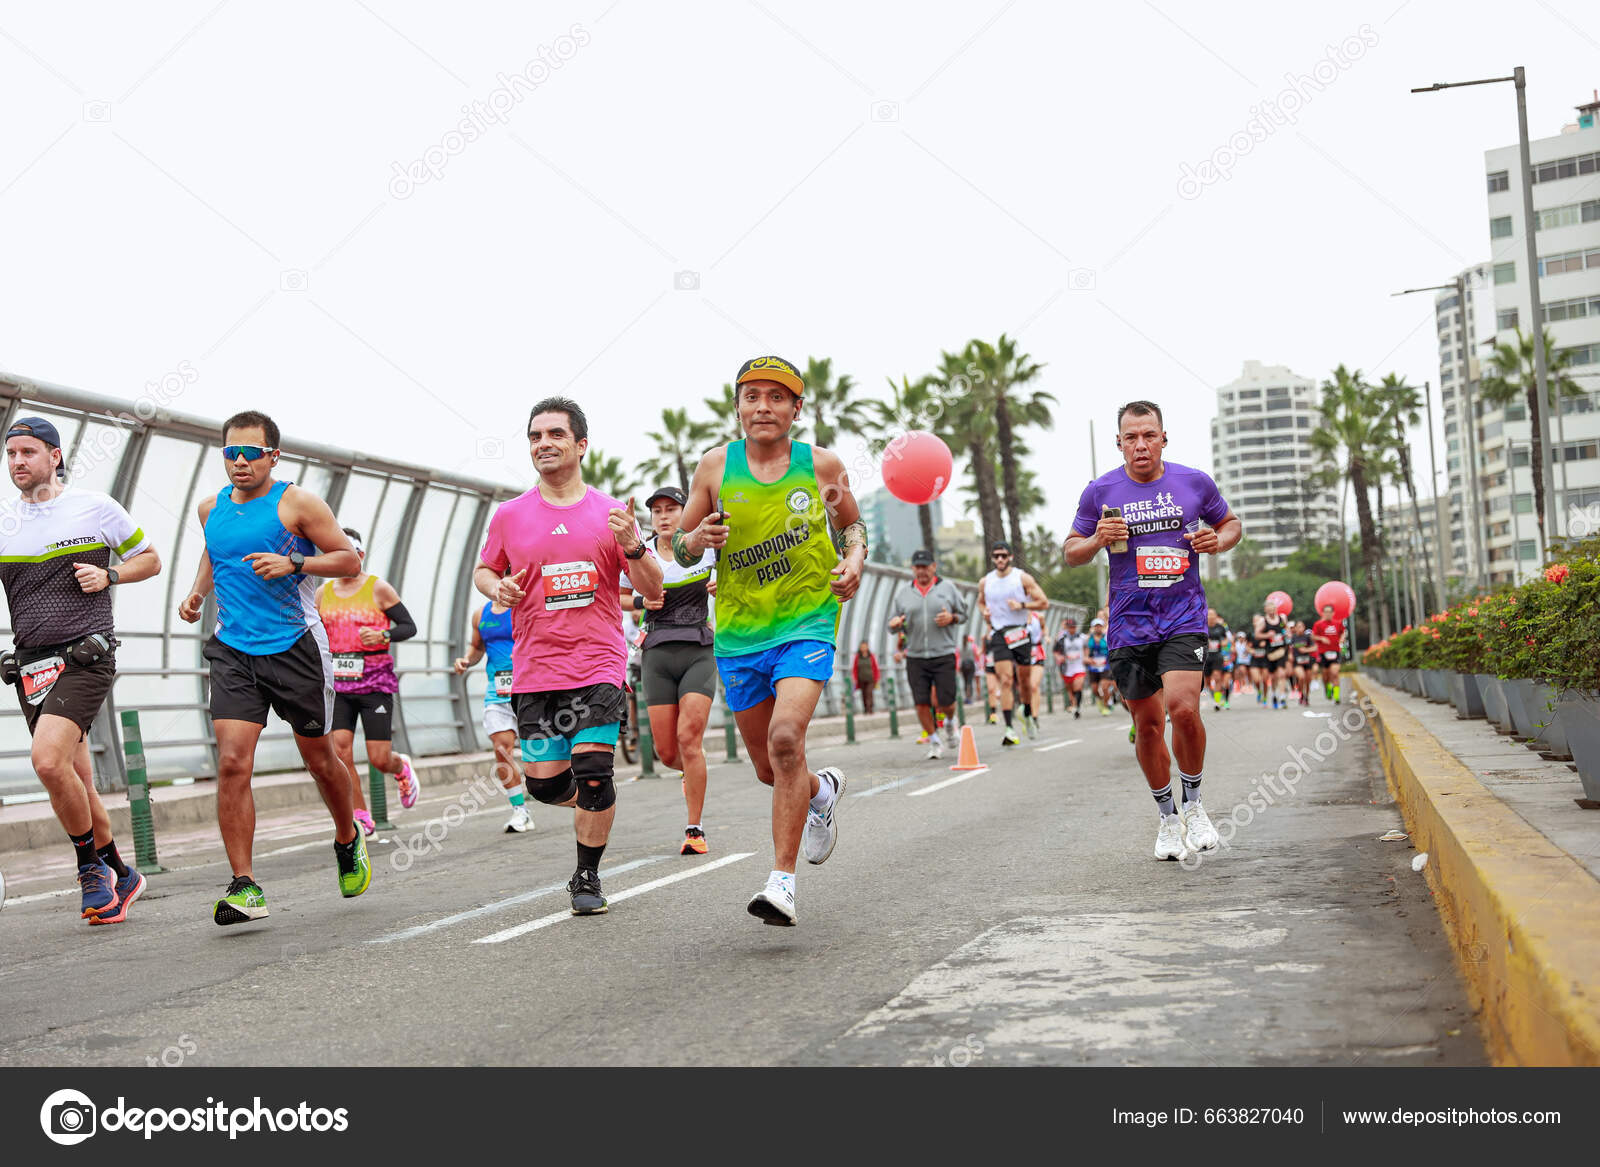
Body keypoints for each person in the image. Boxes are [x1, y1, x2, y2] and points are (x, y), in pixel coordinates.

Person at [674, 354, 864, 927]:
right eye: (752, 396)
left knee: (786, 738)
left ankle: (781, 883)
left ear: (797, 408)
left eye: (777, 397)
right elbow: (680, 548)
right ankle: (821, 791)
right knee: (769, 767)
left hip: (806, 622)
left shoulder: (821, 467)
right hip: (738, 633)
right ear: (737, 405)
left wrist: (853, 559)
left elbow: (851, 526)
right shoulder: (713, 468)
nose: (763, 406)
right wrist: (698, 538)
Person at [474, 397, 663, 916]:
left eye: (555, 434)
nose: (543, 444)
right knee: (547, 785)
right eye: (535, 436)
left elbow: (652, 590)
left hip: (598, 664)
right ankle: (595, 802)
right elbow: (484, 571)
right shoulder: (511, 516)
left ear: (580, 445)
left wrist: (634, 548)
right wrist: (498, 588)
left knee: (595, 772)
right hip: (535, 670)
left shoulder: (611, 515)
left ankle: (587, 875)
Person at [178, 411, 368, 925]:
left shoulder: (297, 503)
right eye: (231, 453)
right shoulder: (209, 507)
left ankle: (347, 837)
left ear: (273, 455)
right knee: (233, 763)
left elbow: (349, 561)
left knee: (321, 759)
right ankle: (245, 886)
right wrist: (199, 593)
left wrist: (296, 563)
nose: (240, 462)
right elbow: (215, 552)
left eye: (251, 453)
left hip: (295, 646)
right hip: (233, 650)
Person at [1064, 400, 1241, 861]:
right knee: (1147, 725)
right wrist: (1097, 540)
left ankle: (1195, 804)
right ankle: (1167, 817)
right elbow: (1071, 551)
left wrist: (1217, 540)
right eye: (1131, 438)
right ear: (1119, 443)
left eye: (1149, 435)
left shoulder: (1194, 482)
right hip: (1129, 625)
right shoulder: (1099, 491)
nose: (1140, 445)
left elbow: (1230, 523)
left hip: (1183, 617)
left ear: (1164, 438)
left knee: (1183, 710)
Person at [1, 417, 161, 925]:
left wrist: (110, 573)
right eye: (10, 454)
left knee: (48, 762)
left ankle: (90, 869)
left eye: (28, 452)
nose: (18, 462)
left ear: (54, 455)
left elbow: (151, 559)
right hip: (32, 665)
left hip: (87, 656)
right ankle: (121, 872)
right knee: (74, 778)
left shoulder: (95, 508)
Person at [631, 485, 718, 856]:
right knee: (667, 753)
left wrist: (723, 586)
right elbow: (615, 594)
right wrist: (641, 599)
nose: (663, 516)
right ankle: (691, 770)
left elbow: (743, 579)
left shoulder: (708, 549)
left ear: (686, 512)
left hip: (699, 650)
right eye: (656, 510)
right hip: (656, 654)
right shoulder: (641, 553)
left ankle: (694, 829)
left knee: (689, 739)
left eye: (672, 508)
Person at [317, 528, 420, 837]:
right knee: (341, 752)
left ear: (360, 555)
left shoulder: (378, 589)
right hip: (339, 687)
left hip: (375, 684)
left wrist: (383, 635)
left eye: (353, 554)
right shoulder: (323, 593)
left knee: (378, 757)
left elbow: (408, 626)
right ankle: (360, 815)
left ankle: (400, 767)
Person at [451, 595, 531, 832]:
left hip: (530, 689)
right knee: (501, 750)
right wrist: (466, 660)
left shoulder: (525, 606)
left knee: (537, 759)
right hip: (497, 692)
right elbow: (477, 647)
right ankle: (520, 810)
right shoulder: (480, 614)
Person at [887, 549, 966, 759]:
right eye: (918, 567)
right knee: (921, 701)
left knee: (946, 701)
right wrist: (894, 625)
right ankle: (935, 741)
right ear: (912, 569)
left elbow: (964, 614)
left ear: (934, 567)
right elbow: (894, 623)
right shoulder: (903, 594)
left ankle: (950, 722)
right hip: (915, 656)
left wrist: (952, 618)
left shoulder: (947, 588)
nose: (921, 571)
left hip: (943, 653)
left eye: (925, 567)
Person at [977, 541, 1049, 746]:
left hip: (1020, 633)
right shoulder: (985, 582)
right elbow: (980, 601)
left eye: (1003, 555)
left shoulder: (1021, 578)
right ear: (992, 558)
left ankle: (1026, 713)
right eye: (996, 556)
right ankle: (1009, 728)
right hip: (999, 633)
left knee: (1024, 682)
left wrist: (1022, 605)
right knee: (1006, 680)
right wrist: (984, 612)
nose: (1000, 559)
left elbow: (1044, 602)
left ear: (1010, 557)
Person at [1053, 616, 1088, 719]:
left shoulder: (1082, 637)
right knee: (1071, 688)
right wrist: (1060, 657)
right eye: (1069, 627)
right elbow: (1056, 651)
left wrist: (1085, 657)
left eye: (1073, 627)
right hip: (1067, 668)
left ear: (1076, 627)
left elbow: (1086, 648)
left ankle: (1077, 707)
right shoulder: (1062, 639)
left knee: (1078, 685)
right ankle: (1074, 703)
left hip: (1079, 666)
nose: (1071, 629)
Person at [1259, 598, 1291, 709]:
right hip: (1270, 652)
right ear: (1265, 610)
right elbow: (1257, 635)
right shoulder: (1263, 621)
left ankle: (1282, 697)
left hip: (1281, 650)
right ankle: (1273, 694)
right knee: (1273, 677)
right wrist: (1267, 635)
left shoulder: (1282, 618)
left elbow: (1286, 629)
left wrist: (1287, 634)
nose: (1271, 611)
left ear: (1276, 609)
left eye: (1273, 609)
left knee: (1282, 674)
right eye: (1269, 609)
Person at [1312, 603, 1346, 704]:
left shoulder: (1338, 623)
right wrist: (1321, 638)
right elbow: (1313, 636)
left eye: (1329, 612)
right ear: (1322, 613)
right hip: (1323, 653)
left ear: (1333, 613)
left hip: (1335, 652)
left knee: (1334, 673)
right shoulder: (1318, 624)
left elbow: (1343, 632)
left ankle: (1336, 697)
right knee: (1326, 676)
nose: (1327, 614)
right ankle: (1327, 689)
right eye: (1325, 612)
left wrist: (1342, 639)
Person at [1203, 607, 1231, 710]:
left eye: (1213, 615)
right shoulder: (1203, 627)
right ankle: (1215, 695)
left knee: (1217, 678)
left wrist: (1221, 643)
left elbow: (1226, 640)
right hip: (1206, 656)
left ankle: (1217, 701)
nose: (1211, 617)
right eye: (1209, 615)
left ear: (1216, 616)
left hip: (1217, 656)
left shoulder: (1221, 627)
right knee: (1208, 680)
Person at [1085, 616, 1113, 715]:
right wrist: (1088, 659)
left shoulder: (1106, 637)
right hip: (1093, 667)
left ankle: (1106, 706)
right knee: (1094, 689)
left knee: (1105, 687)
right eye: (1096, 626)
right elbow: (1086, 655)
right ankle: (1102, 700)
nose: (1098, 628)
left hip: (1105, 666)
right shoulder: (1089, 639)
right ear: (1093, 628)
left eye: (1099, 626)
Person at [1290, 619, 1316, 706]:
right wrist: (1290, 656)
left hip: (1307, 661)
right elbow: (1289, 649)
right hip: (1297, 662)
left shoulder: (1307, 637)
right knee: (1301, 677)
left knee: (1308, 681)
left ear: (1304, 627)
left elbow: (1314, 648)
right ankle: (1301, 695)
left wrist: (1306, 649)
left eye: (1301, 626)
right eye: (1298, 627)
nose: (1300, 628)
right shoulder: (1293, 637)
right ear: (1295, 628)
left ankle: (1307, 697)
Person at [851, 639, 879, 714]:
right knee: (863, 694)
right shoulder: (857, 657)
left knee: (869, 693)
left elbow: (875, 667)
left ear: (867, 647)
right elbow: (855, 668)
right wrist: (855, 678)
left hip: (871, 679)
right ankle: (866, 708)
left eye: (865, 646)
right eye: (862, 647)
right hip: (861, 679)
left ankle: (870, 708)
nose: (863, 648)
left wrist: (876, 678)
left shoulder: (871, 656)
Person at [960, 632, 978, 704]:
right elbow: (975, 655)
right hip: (970, 664)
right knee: (969, 681)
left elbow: (960, 657)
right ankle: (969, 697)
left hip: (963, 665)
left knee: (965, 681)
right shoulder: (971, 646)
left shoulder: (960, 646)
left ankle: (966, 698)